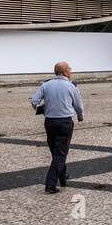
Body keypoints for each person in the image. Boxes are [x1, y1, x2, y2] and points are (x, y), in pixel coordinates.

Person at [30, 61, 84, 193]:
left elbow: (34, 101)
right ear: (65, 72)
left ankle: (63, 177)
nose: (70, 71)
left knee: (57, 151)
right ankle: (50, 184)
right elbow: (78, 104)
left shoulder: (46, 84)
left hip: (49, 122)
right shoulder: (71, 86)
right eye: (69, 69)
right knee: (60, 153)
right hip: (64, 122)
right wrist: (80, 115)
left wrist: (40, 109)